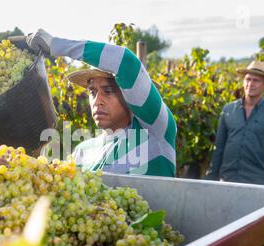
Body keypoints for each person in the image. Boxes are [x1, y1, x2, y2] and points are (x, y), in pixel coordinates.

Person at [26, 29, 177, 177]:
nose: (97, 101)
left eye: (108, 90)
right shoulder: (82, 151)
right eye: (92, 92)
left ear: (129, 94)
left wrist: (56, 44)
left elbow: (125, 62)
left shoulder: (157, 132)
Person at [205, 61, 264, 187]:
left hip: (257, 184)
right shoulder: (228, 110)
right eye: (248, 79)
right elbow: (219, 148)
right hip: (227, 183)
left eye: (256, 80)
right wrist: (208, 182)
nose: (250, 84)